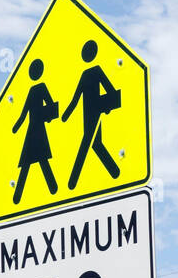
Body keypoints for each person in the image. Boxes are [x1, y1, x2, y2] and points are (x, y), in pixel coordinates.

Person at [60, 39, 121, 190]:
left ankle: (72, 181)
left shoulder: (95, 71)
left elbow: (110, 89)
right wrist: (66, 115)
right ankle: (114, 171)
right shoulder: (86, 74)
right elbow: (75, 98)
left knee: (87, 142)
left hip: (94, 113)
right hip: (88, 114)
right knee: (95, 143)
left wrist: (107, 104)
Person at [11, 58, 58, 205]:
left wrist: (49, 117)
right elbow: (24, 113)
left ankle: (53, 188)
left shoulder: (40, 88)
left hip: (36, 128)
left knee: (37, 160)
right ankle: (18, 196)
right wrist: (16, 126)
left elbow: (50, 104)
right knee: (28, 161)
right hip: (33, 129)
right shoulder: (33, 90)